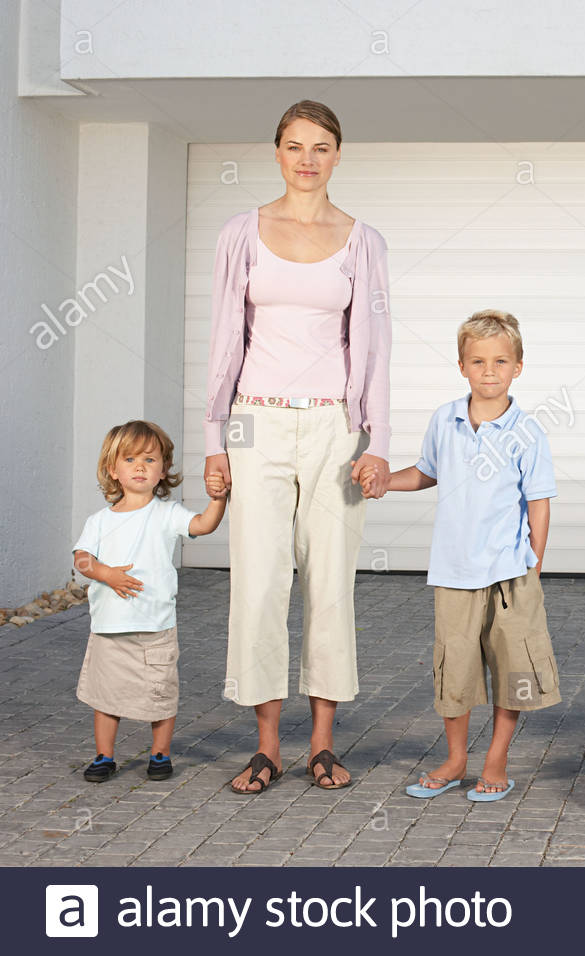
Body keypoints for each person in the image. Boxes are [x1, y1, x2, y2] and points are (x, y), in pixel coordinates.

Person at [202, 100, 393, 794]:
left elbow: (376, 347)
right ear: (277, 152)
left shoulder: (363, 241)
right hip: (254, 421)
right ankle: (265, 748)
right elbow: (225, 339)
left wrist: (377, 441)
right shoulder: (241, 233)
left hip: (334, 427)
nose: (307, 159)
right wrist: (214, 438)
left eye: (320, 147)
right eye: (294, 146)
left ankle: (322, 744)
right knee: (258, 579)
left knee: (329, 583)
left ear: (337, 155)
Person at [364, 310, 561, 801]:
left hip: (510, 573)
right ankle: (455, 760)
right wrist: (385, 481)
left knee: (513, 669)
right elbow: (427, 472)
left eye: (500, 361)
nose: (489, 371)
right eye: (478, 361)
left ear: (518, 367)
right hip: (453, 572)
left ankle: (496, 759)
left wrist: (534, 565)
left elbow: (539, 502)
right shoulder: (445, 420)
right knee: (454, 670)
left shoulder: (527, 432)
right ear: (461, 366)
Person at [72, 420, 227, 782]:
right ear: (113, 469)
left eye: (149, 459)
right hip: (109, 627)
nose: (139, 467)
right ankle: (104, 756)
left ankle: (160, 753)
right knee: (106, 697)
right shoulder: (99, 521)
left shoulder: (167, 513)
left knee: (160, 693)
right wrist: (106, 573)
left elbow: (203, 525)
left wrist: (218, 500)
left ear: (163, 469)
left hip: (155, 627)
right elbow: (81, 558)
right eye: (130, 459)